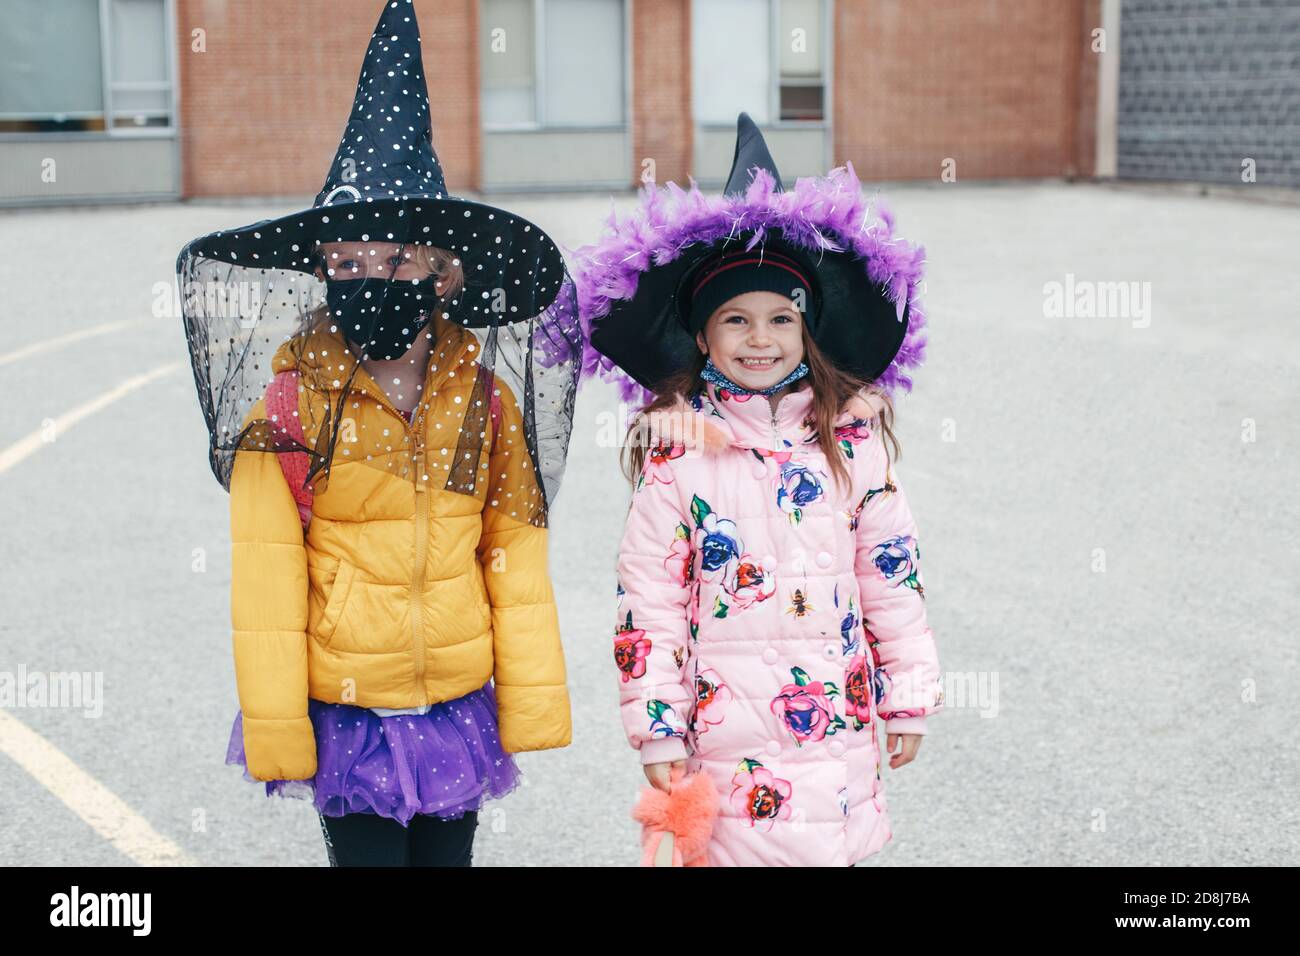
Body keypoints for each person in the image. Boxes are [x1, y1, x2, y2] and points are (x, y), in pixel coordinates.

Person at [176, 0, 582, 866]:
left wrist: (533, 699)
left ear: (442, 271)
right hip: (348, 713)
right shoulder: (286, 409)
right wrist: (279, 727)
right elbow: (265, 580)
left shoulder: (485, 403)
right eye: (345, 264)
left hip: (456, 704)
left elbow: (515, 554)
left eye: (390, 259)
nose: (366, 279)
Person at [575, 113, 942, 866]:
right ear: (702, 338)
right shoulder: (677, 457)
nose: (760, 337)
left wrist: (908, 693)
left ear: (810, 331)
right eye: (734, 319)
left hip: (835, 742)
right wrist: (658, 727)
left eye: (781, 317)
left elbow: (892, 577)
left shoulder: (853, 442)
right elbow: (648, 604)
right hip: (725, 747)